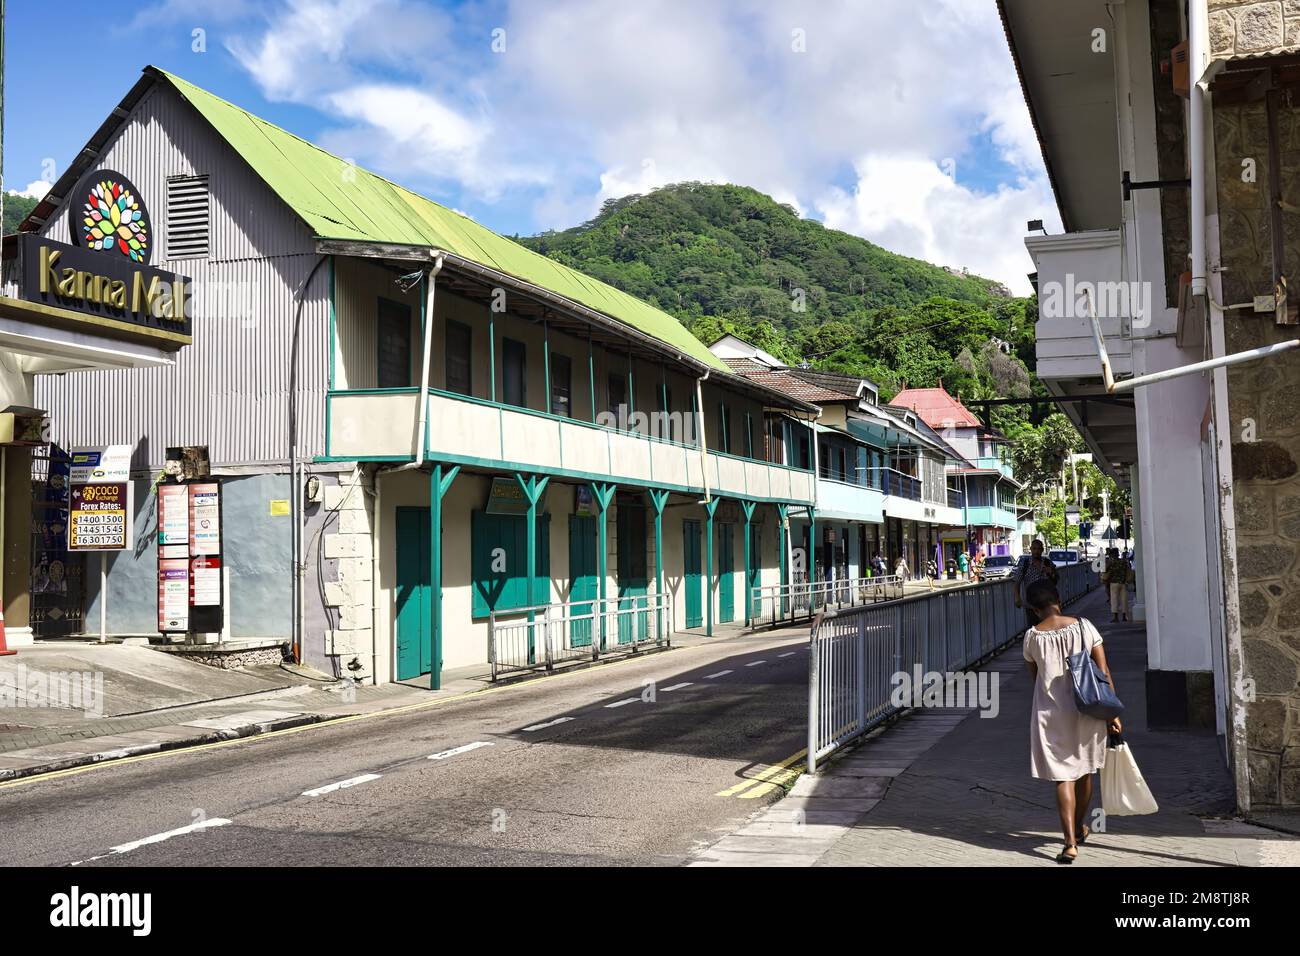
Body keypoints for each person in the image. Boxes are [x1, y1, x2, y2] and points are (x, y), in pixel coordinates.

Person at [1021, 580, 1121, 864]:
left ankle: (1069, 844)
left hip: (1049, 715)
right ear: (1058, 599)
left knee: (1063, 777)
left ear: (1034, 608)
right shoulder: (1083, 626)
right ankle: (1079, 828)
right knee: (1086, 771)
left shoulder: (1031, 637)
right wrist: (1112, 714)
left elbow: (1035, 678)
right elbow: (1103, 671)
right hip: (1088, 709)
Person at [1012, 539, 1058, 632]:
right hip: (1031, 604)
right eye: (1034, 549)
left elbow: (1056, 581)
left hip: (1047, 603)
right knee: (1034, 630)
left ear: (1042, 550)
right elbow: (1016, 582)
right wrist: (1017, 597)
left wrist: (1051, 573)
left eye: (1039, 549)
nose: (1036, 551)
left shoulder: (1047, 563)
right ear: (1031, 549)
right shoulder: (1025, 564)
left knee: (1049, 629)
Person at [1102, 547, 1130, 623]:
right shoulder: (1123, 561)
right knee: (1124, 600)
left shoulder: (1111, 562)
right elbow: (1128, 570)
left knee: (1114, 600)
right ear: (1118, 554)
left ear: (1112, 554)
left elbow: (1103, 569)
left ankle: (1116, 617)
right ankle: (1124, 617)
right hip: (1123, 583)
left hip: (1114, 583)